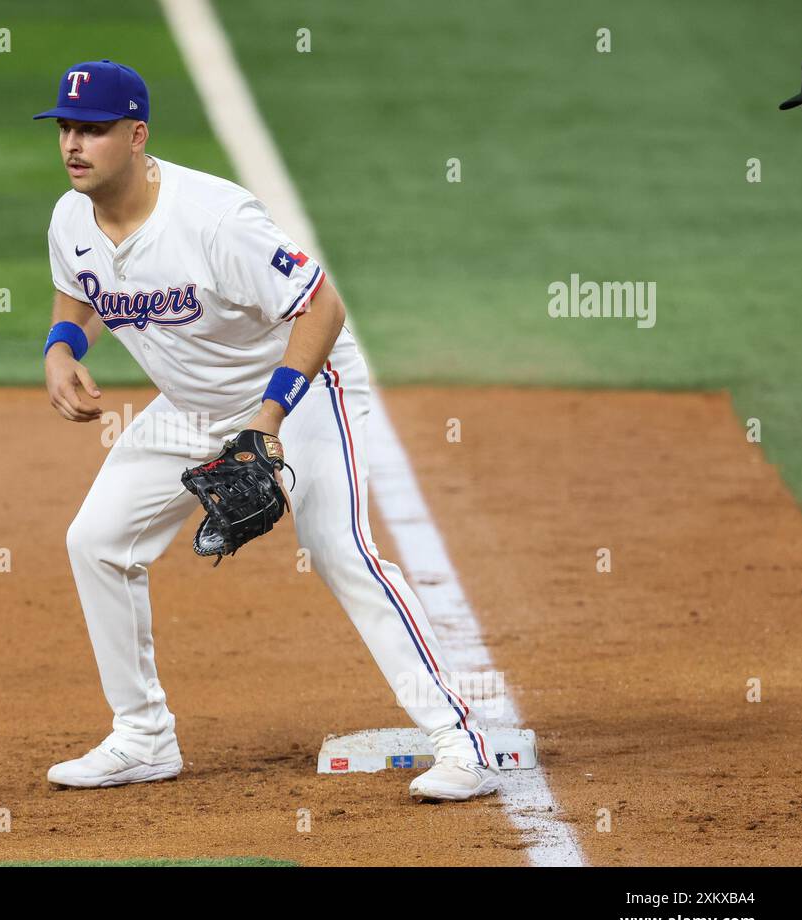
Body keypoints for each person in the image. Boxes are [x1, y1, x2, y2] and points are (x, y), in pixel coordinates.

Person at [35, 59, 499, 801]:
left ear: (138, 134)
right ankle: (143, 737)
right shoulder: (70, 215)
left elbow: (323, 309)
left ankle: (460, 741)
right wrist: (62, 349)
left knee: (338, 548)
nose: (74, 144)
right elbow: (78, 291)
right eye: (65, 128)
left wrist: (268, 420)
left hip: (300, 388)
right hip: (190, 405)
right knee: (96, 542)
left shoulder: (214, 219)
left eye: (93, 129)